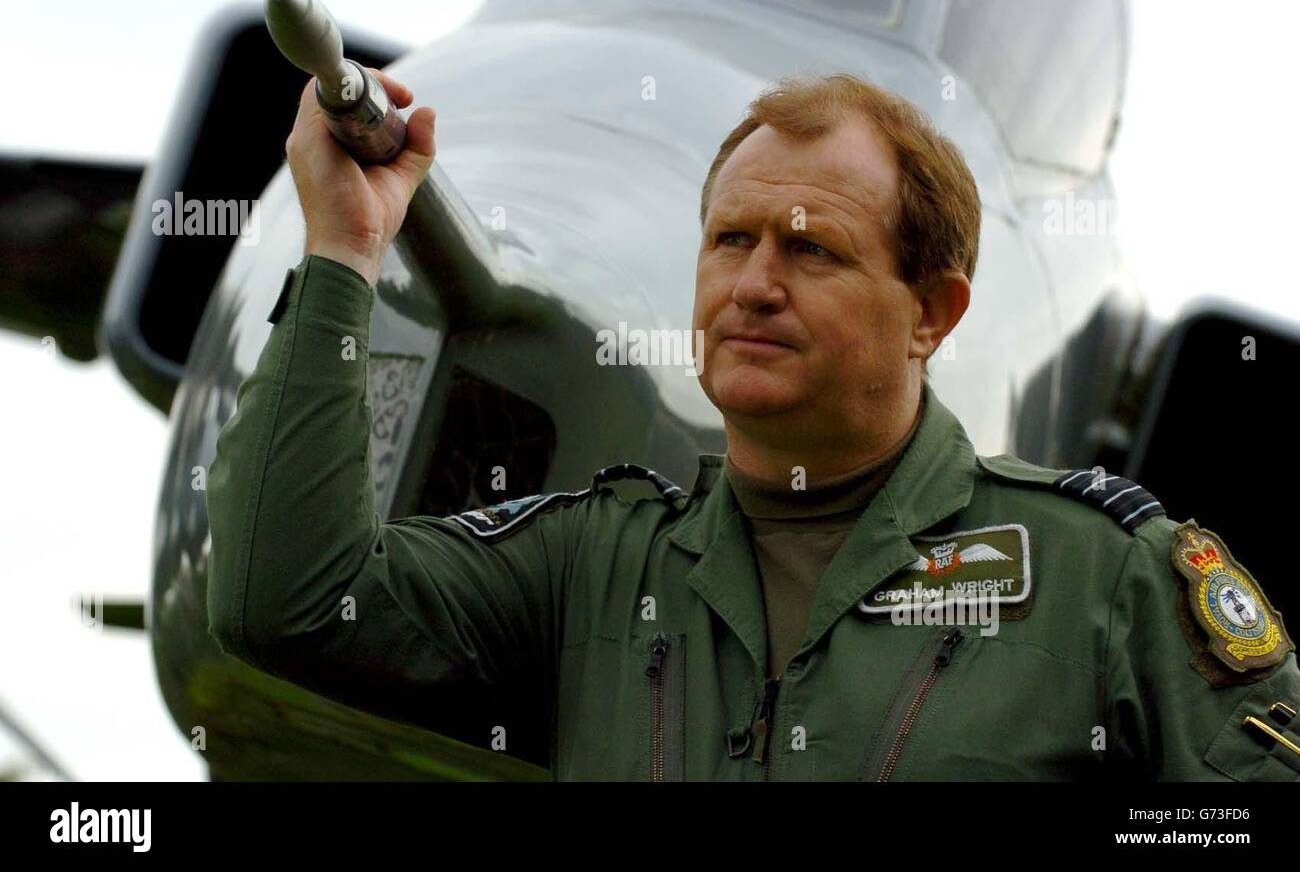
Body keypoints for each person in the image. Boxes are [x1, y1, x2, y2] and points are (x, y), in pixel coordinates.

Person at [206, 70, 1300, 780]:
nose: (753, 285)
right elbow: (287, 602)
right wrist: (344, 251)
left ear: (931, 312)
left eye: (809, 249)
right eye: (729, 242)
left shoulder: (1105, 582)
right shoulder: (590, 567)